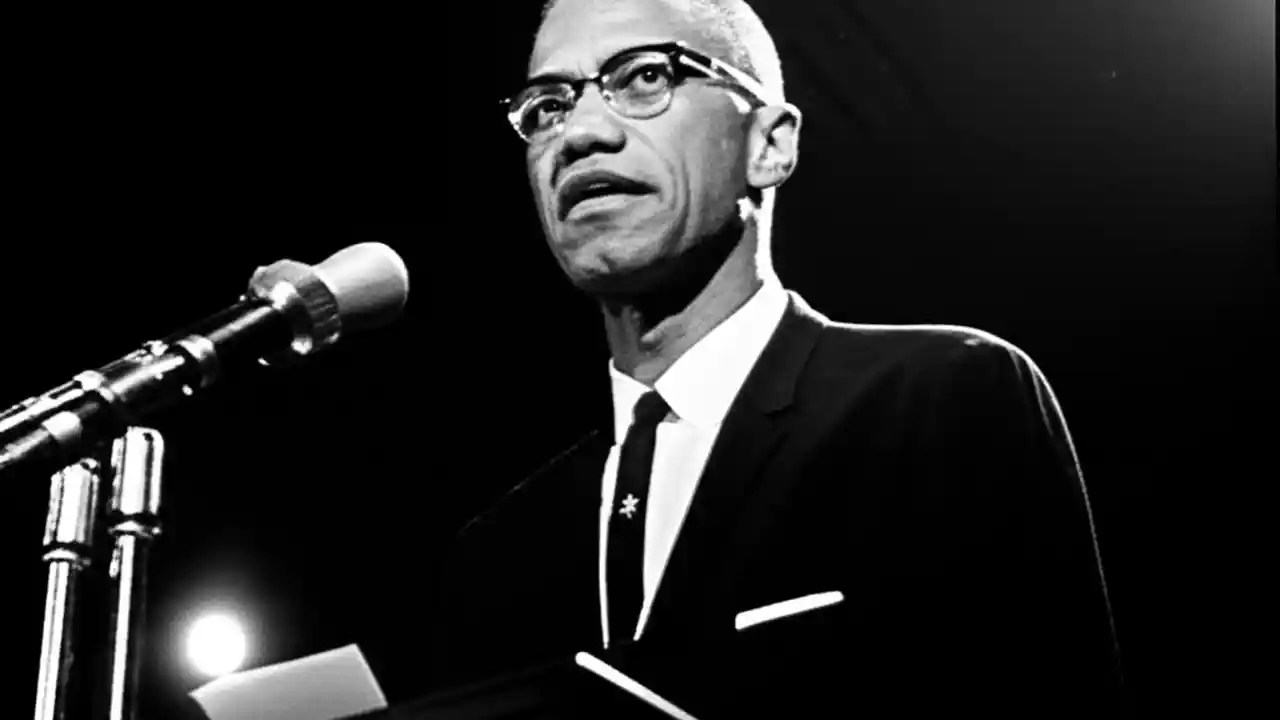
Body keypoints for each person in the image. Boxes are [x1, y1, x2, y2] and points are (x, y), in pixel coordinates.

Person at [427, 0, 1122, 713]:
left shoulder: (938, 404)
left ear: (771, 145)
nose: (580, 133)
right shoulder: (498, 555)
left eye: (642, 77)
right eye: (547, 106)